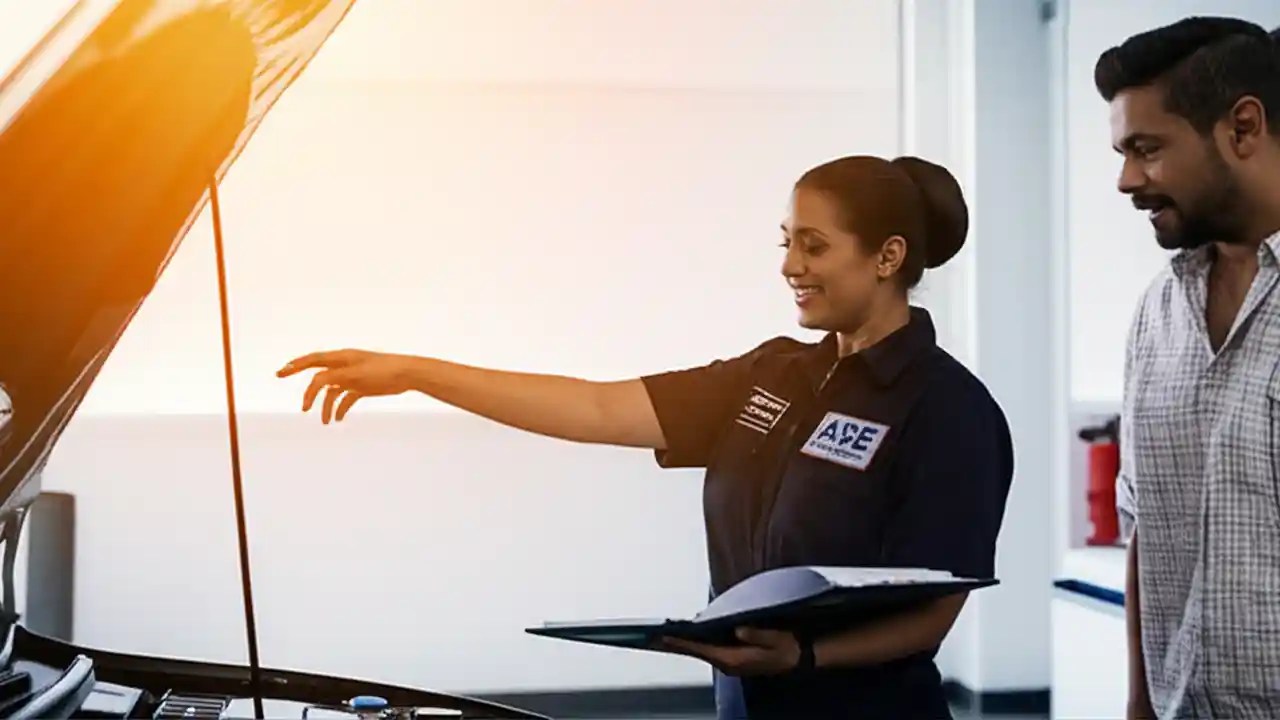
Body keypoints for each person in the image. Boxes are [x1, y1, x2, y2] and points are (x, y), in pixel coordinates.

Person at [276, 154, 1014, 719]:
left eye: (814, 247)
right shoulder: (774, 373)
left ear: (887, 258)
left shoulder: (950, 411)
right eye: (787, 241)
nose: (790, 266)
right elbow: (596, 409)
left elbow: (932, 616)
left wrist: (803, 657)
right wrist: (415, 371)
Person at [1094, 16, 1280, 720]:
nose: (1125, 180)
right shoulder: (1157, 314)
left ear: (1242, 128)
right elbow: (1144, 520)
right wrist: (1140, 706)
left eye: (1146, 150)